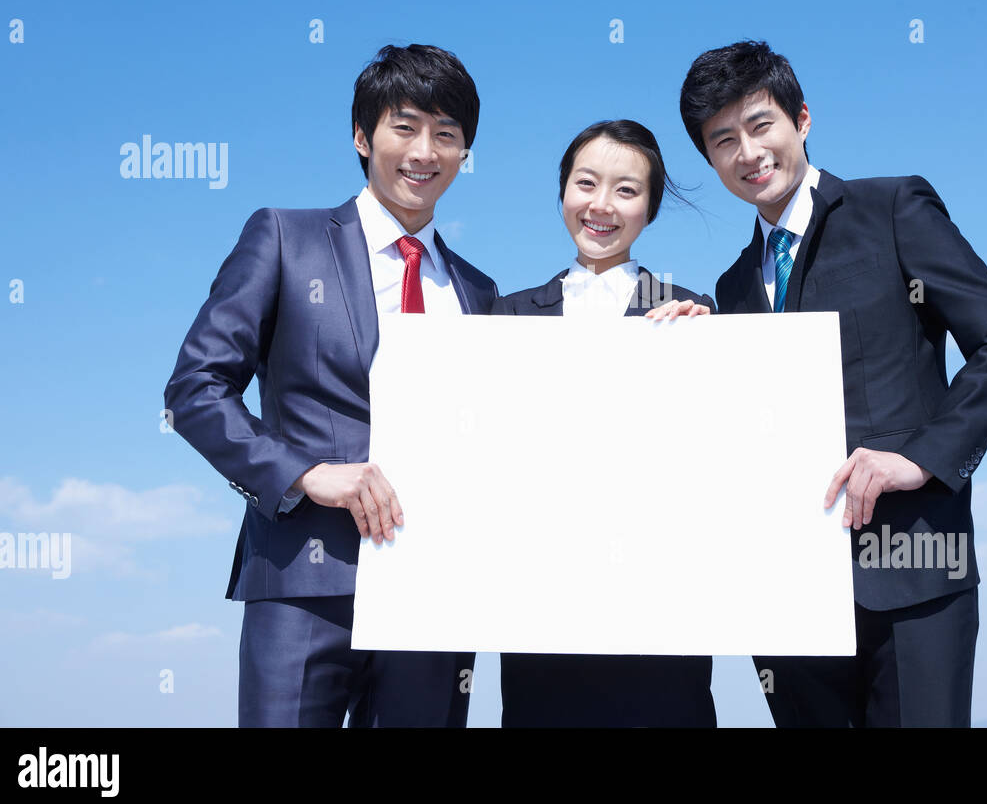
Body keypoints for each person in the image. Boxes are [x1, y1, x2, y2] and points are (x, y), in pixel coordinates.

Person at [678, 40, 987, 727]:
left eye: (760, 125)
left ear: (802, 120)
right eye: (722, 140)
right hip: (789, 593)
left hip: (912, 568)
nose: (747, 152)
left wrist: (922, 456)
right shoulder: (732, 285)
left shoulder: (892, 209)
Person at [164, 44, 498, 727]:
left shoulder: (478, 290)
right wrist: (305, 473)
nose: (424, 151)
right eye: (404, 127)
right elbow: (195, 387)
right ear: (361, 135)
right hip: (302, 583)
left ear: (466, 153)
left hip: (435, 597)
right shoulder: (286, 238)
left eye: (447, 135)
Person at [493, 119, 717, 727]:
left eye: (626, 190)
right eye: (585, 183)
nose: (601, 206)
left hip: (661, 608)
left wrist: (710, 350)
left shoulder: (690, 311)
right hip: (543, 608)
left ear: (650, 207)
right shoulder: (505, 317)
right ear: (562, 191)